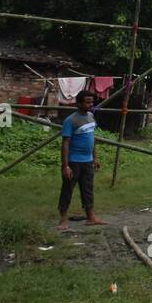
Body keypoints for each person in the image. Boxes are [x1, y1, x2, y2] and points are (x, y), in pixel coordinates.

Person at [58, 89, 105, 231]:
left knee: (88, 189)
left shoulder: (91, 116)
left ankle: (91, 217)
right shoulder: (70, 120)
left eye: (92, 102)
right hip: (74, 161)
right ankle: (63, 220)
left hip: (88, 161)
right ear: (78, 103)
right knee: (68, 189)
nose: (90, 104)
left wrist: (95, 157)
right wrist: (65, 166)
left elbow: (92, 138)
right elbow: (65, 143)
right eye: (87, 102)